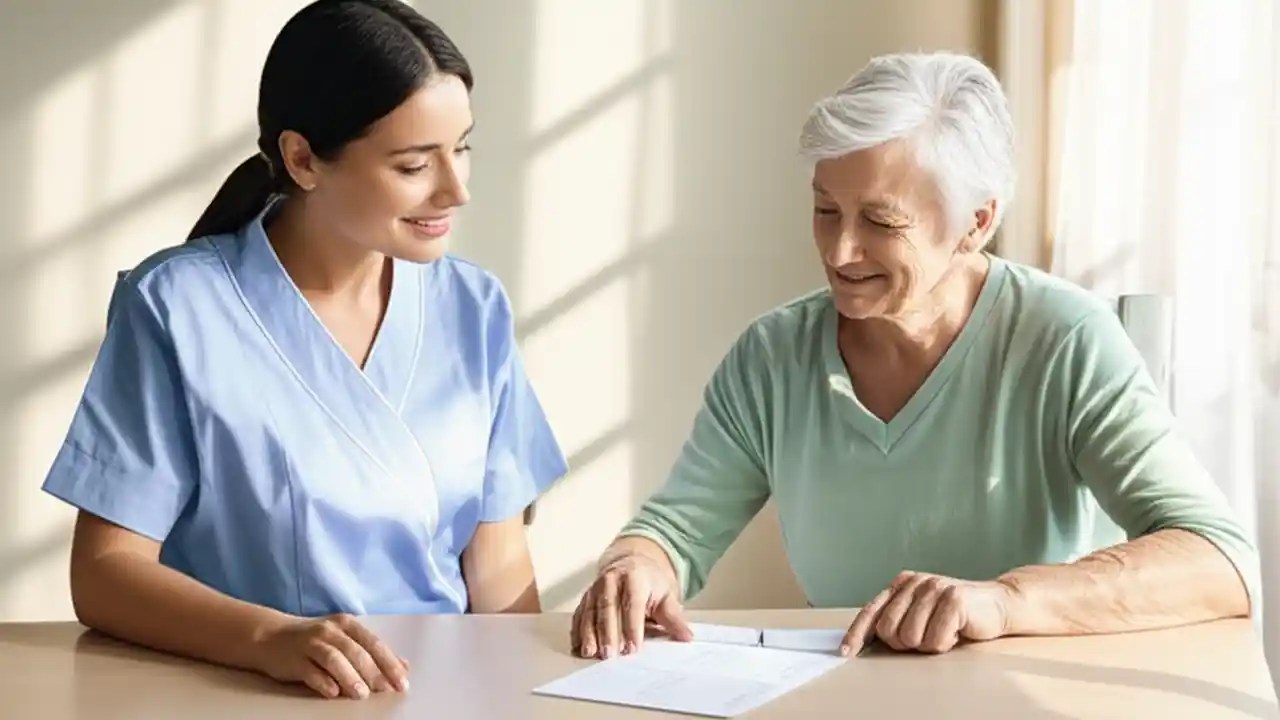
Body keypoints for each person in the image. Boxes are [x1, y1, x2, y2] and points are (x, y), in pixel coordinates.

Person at [570, 51, 1258, 660]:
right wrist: (637, 565)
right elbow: (672, 533)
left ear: (977, 222)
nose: (839, 253)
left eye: (882, 221)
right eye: (825, 210)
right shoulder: (772, 357)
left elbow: (1221, 562)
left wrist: (1005, 601)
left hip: (1037, 694)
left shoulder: (1065, 340)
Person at [42, 0, 566, 701]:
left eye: (462, 148)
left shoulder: (475, 309)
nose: (457, 189)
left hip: (440, 696)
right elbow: (105, 573)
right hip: (245, 694)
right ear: (302, 158)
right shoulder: (177, 306)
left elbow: (497, 567)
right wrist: (269, 639)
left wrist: (522, 698)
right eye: (414, 164)